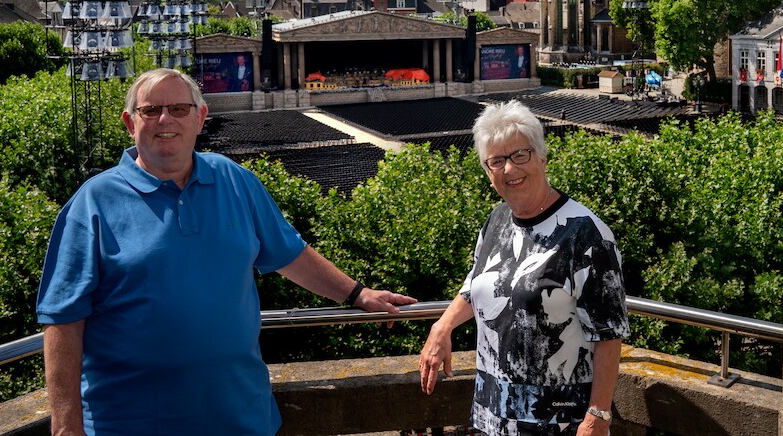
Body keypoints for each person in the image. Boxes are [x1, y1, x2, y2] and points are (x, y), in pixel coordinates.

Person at [36, 68, 416, 435]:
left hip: (239, 416)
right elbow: (62, 318)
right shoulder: (93, 203)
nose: (165, 119)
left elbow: (290, 254)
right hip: (131, 423)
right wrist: (66, 427)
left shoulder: (234, 179)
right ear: (130, 123)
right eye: (150, 110)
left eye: (179, 108)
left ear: (200, 118)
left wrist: (357, 294)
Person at [418, 100, 628, 436]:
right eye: (496, 161)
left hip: (558, 422)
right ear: (488, 173)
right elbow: (478, 283)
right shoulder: (497, 219)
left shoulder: (586, 234)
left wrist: (597, 416)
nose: (509, 169)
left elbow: (608, 334)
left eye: (520, 155)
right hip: (492, 415)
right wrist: (442, 327)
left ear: (542, 157)